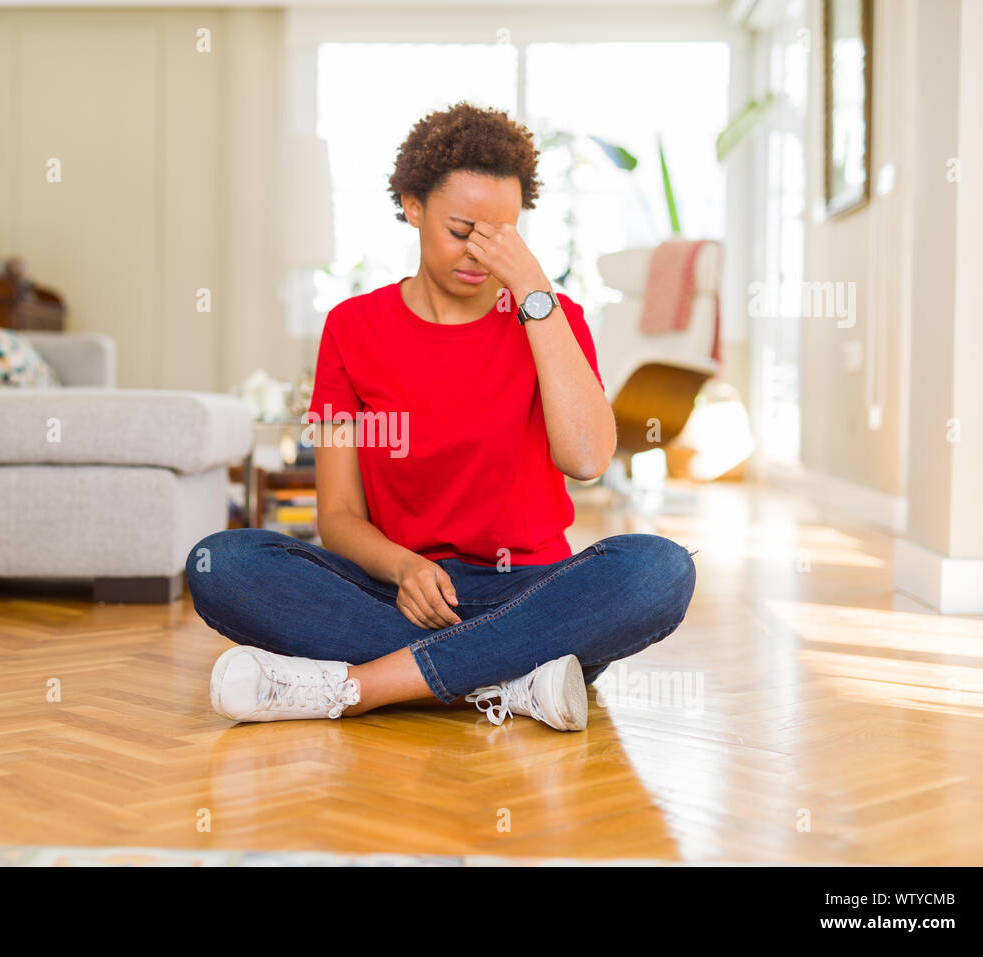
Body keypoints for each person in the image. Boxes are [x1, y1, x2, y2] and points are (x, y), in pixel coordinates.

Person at [186, 101, 696, 732]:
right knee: (223, 563)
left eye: (500, 236)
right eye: (462, 231)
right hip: (401, 593)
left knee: (659, 571)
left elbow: (587, 461)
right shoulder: (352, 327)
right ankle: (514, 680)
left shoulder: (550, 317)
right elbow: (339, 517)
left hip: (528, 591)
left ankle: (363, 685)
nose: (479, 255)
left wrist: (536, 294)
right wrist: (404, 567)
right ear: (413, 206)